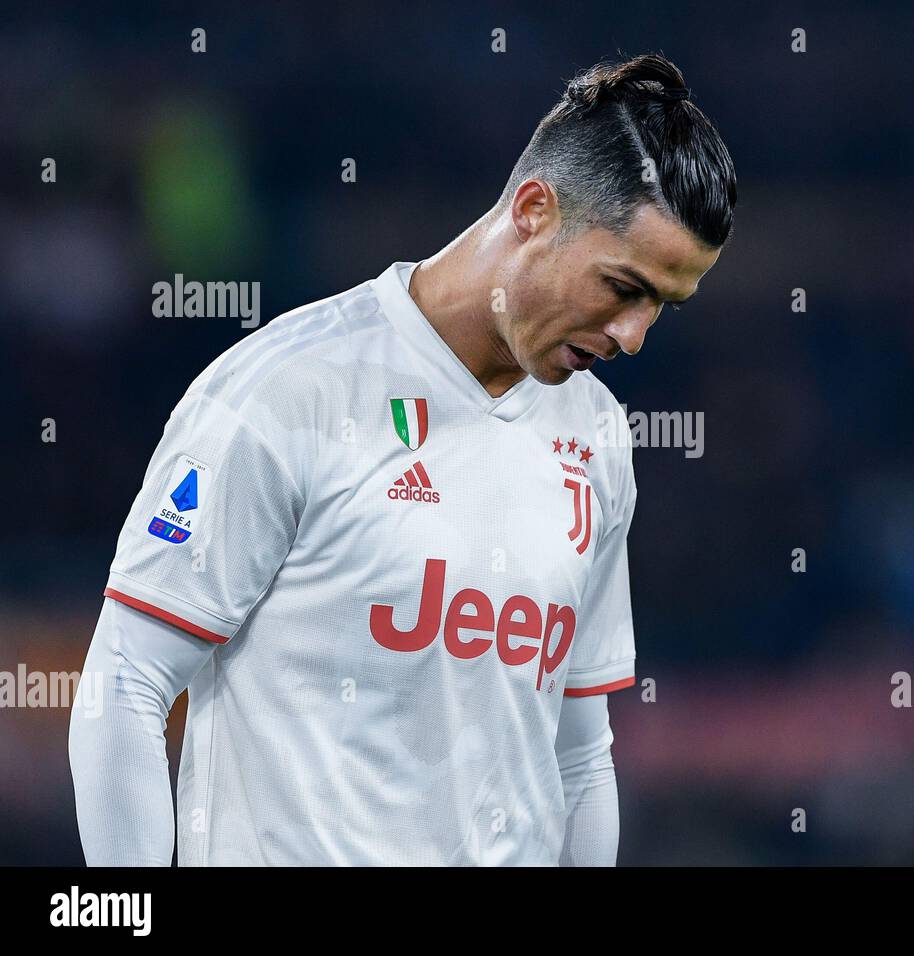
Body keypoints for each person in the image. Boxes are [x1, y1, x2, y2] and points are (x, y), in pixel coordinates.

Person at [68, 51, 737, 865]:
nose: (635, 337)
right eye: (622, 287)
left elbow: (580, 755)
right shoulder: (287, 391)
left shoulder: (595, 436)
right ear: (533, 209)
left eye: (663, 307)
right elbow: (127, 679)